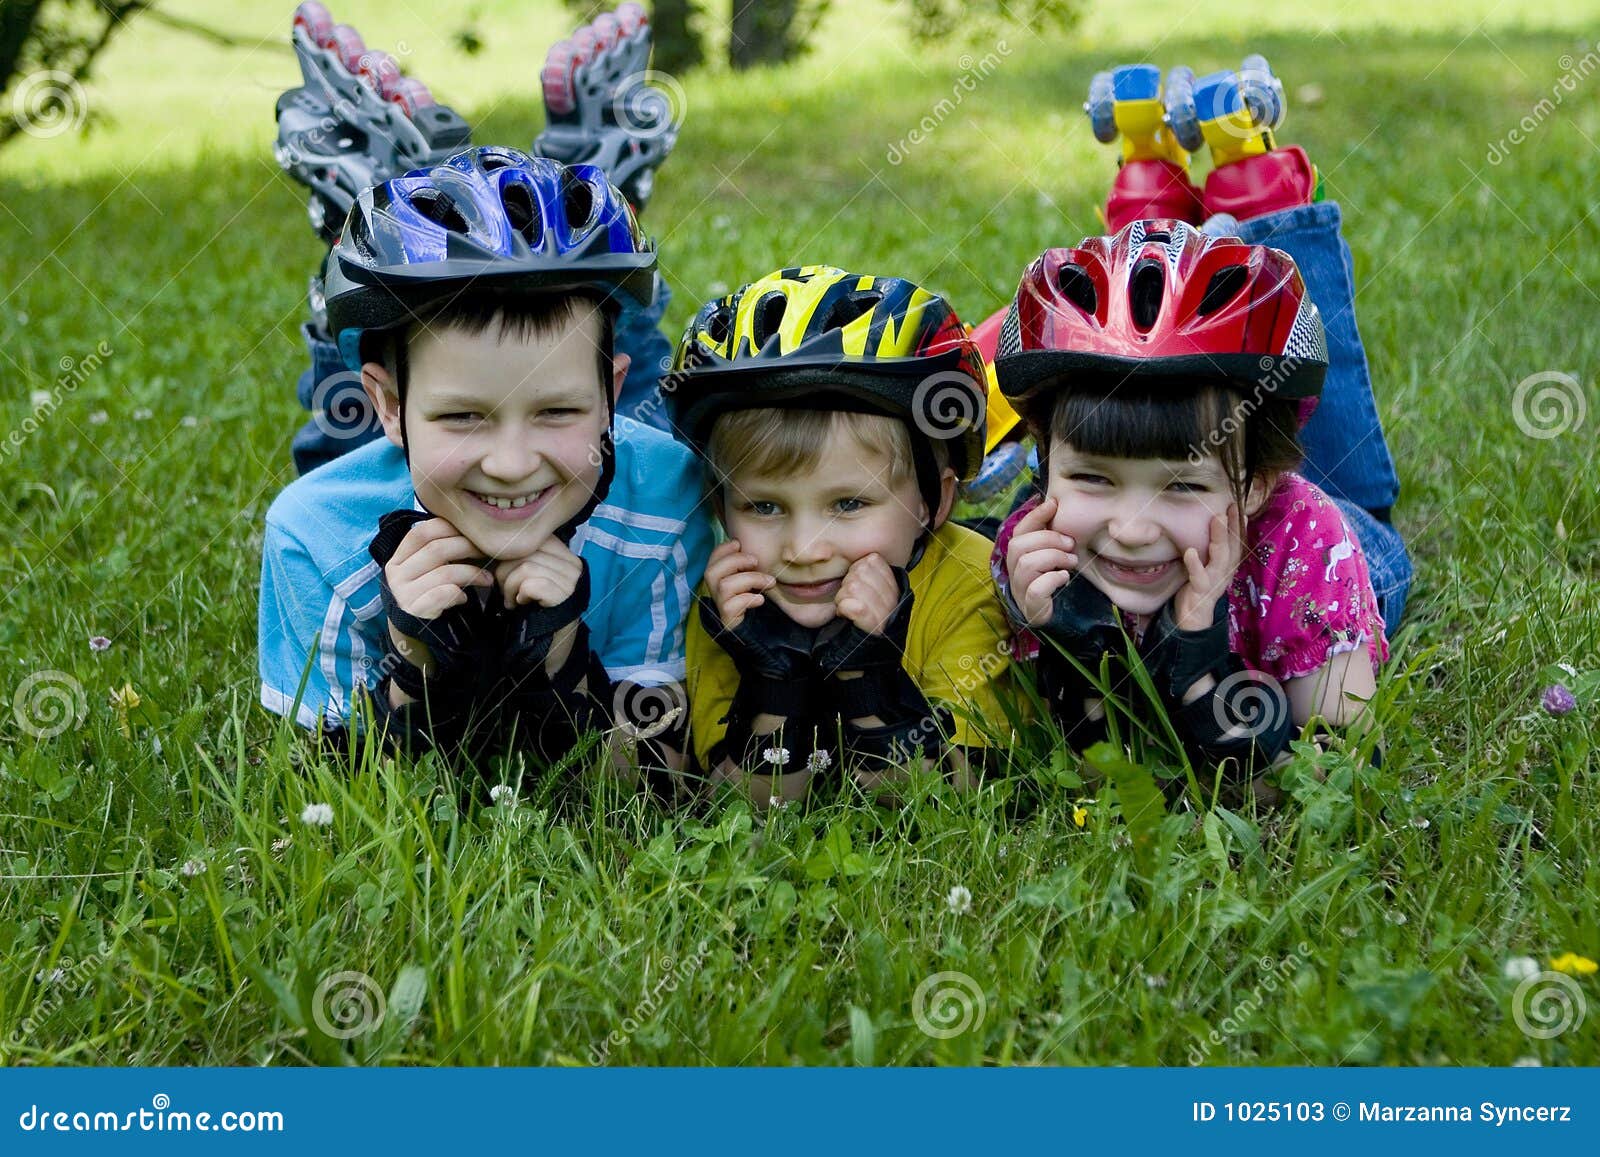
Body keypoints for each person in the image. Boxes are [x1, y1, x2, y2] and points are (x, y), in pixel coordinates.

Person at [258, 146, 711, 788]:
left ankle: (606, 161)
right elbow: (327, 800)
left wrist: (563, 656)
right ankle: (350, 197)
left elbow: (662, 774)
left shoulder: (669, 502)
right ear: (389, 407)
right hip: (378, 462)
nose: (510, 464)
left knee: (658, 391)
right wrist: (414, 663)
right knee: (330, 431)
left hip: (620, 448)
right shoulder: (313, 537)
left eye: (557, 410)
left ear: (608, 398)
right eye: (463, 417)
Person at [992, 219, 1389, 781]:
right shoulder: (1037, 552)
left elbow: (1346, 769)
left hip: (1345, 549)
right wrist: (1067, 637)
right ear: (1045, 466)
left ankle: (1277, 214)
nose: (1130, 531)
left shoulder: (1309, 545)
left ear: (1255, 486)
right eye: (1093, 479)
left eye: (1180, 486)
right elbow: (1096, 764)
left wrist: (1200, 661)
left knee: (1360, 494)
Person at [666, 266, 1016, 807]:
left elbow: (957, 806)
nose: (803, 550)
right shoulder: (732, 602)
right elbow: (740, 814)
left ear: (935, 500)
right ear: (721, 507)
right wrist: (772, 678)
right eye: (763, 506)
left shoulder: (971, 585)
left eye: (848, 504)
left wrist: (868, 672)